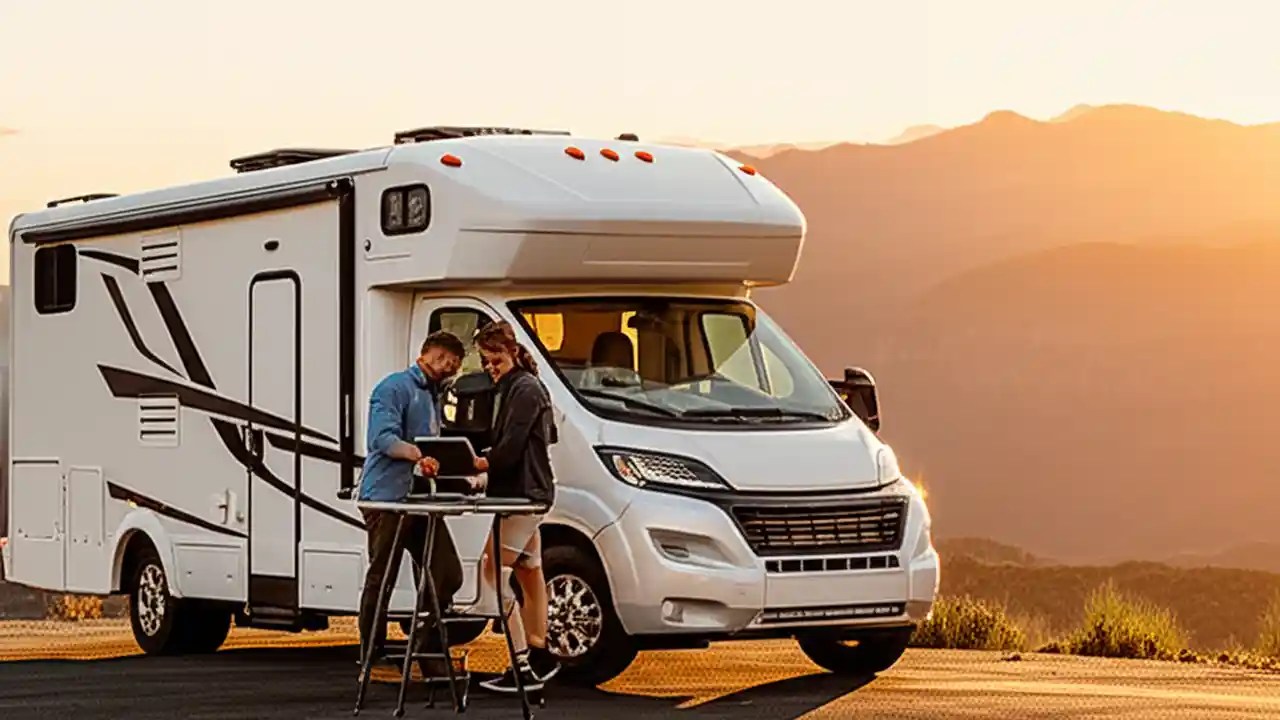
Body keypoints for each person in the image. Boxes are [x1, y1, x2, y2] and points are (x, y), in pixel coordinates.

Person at [357, 330, 467, 681]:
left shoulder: (435, 395)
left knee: (447, 572)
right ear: (426, 355)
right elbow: (381, 438)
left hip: (420, 500)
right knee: (382, 577)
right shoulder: (394, 388)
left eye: (453, 365)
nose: (447, 369)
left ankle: (423, 646)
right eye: (443, 361)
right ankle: (371, 656)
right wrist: (417, 455)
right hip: (386, 499)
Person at [468, 320, 560, 693]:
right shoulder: (521, 386)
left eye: (496, 359)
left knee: (491, 572)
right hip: (531, 493)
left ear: (513, 353)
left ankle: (521, 666)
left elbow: (511, 447)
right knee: (528, 570)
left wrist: (480, 464)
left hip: (522, 496)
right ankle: (540, 652)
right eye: (486, 362)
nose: (491, 367)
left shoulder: (522, 390)